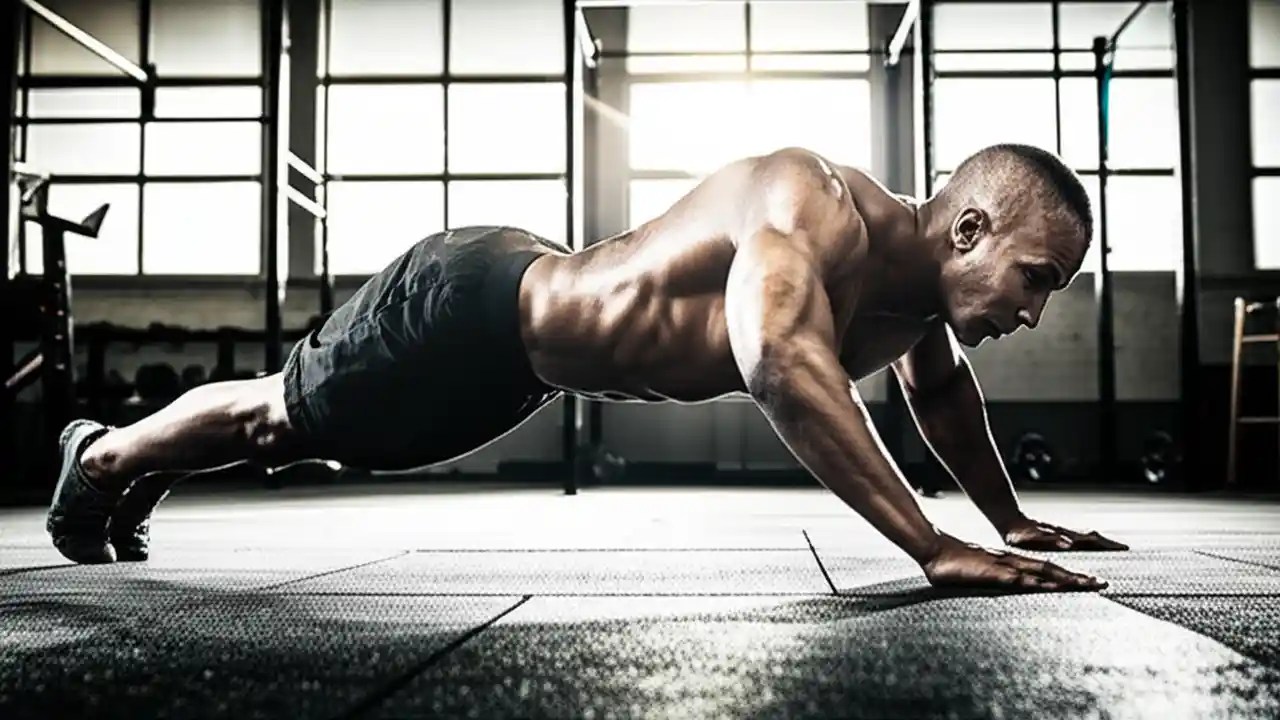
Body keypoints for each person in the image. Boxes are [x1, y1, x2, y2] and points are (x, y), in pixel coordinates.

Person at [47, 143, 1128, 590]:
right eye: (1034, 278)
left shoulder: (918, 305)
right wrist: (931, 545)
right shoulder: (817, 205)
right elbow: (775, 355)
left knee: (317, 440)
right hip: (473, 304)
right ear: (969, 229)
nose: (1033, 311)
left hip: (519, 371)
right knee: (280, 419)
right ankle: (99, 459)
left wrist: (1009, 520)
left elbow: (939, 391)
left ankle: (132, 465)